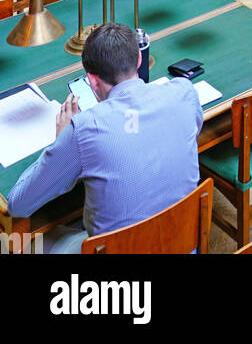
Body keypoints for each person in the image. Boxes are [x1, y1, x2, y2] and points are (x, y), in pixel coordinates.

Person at [6, 22, 203, 253]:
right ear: (139, 60)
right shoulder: (184, 91)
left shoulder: (84, 129)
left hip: (119, 276)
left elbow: (18, 204)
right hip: (182, 241)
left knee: (25, 243)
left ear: (92, 81)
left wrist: (60, 141)